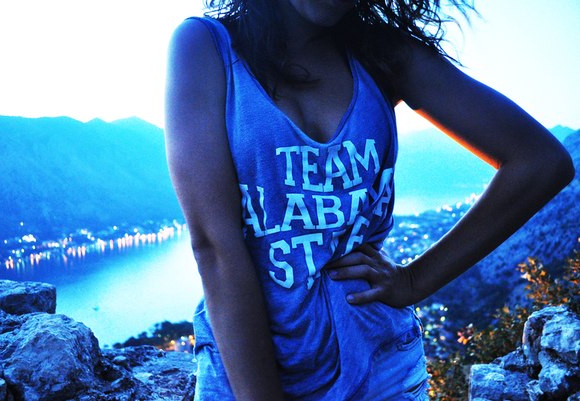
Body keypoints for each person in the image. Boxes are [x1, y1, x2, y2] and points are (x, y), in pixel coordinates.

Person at [164, 1, 575, 400]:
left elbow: (540, 162)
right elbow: (215, 246)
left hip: (382, 365)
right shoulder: (207, 47)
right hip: (244, 373)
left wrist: (415, 280)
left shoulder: (383, 54)